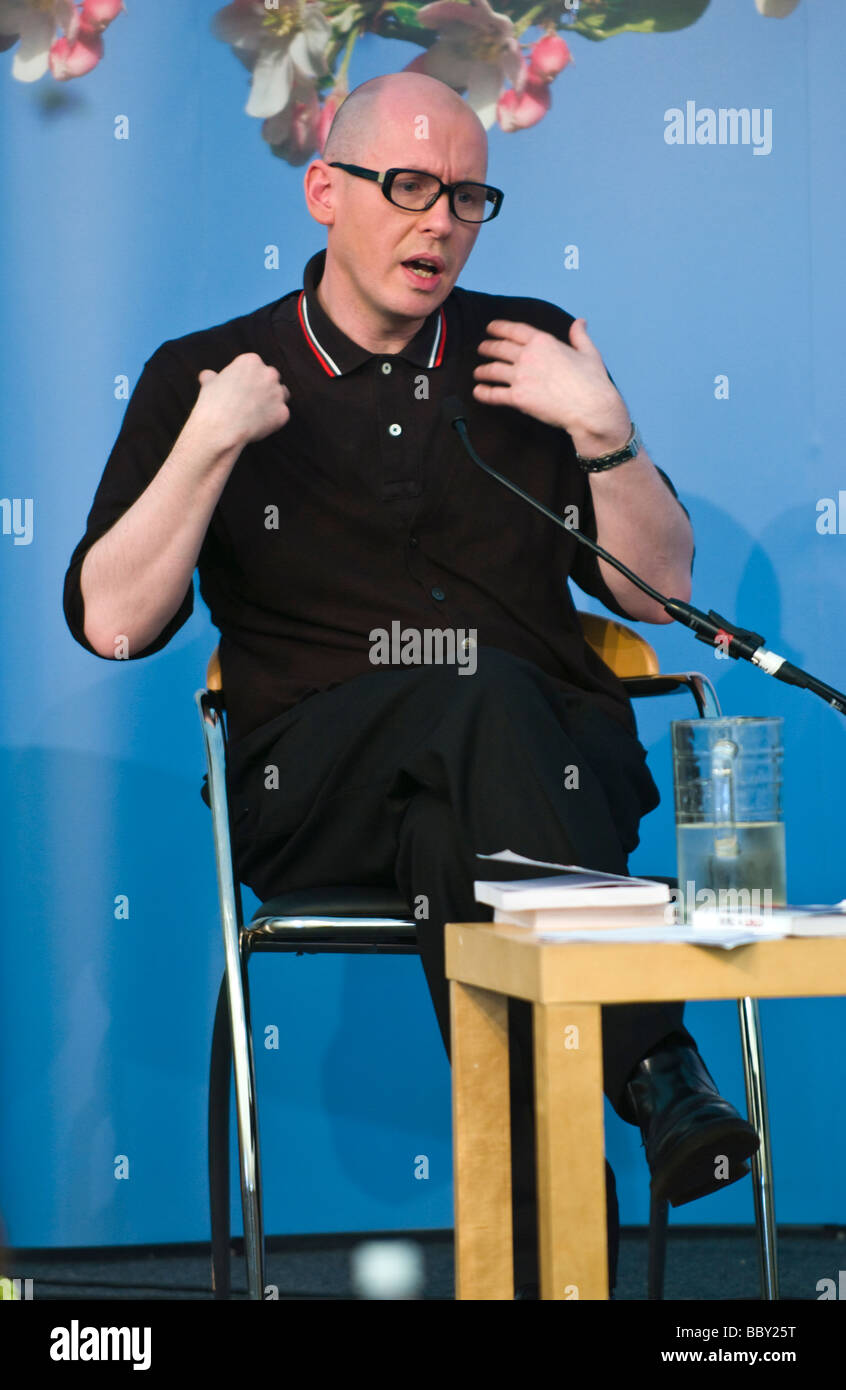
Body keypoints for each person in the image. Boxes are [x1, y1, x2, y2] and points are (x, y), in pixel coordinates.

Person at [63, 70, 759, 1298]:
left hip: (541, 780)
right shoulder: (208, 374)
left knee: (466, 821)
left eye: (468, 196)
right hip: (314, 783)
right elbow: (114, 624)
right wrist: (211, 442)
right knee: (474, 689)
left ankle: (551, 1254)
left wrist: (603, 430)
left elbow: (658, 600)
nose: (439, 220)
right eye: (408, 187)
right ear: (326, 190)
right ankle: (657, 1068)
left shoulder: (527, 351)